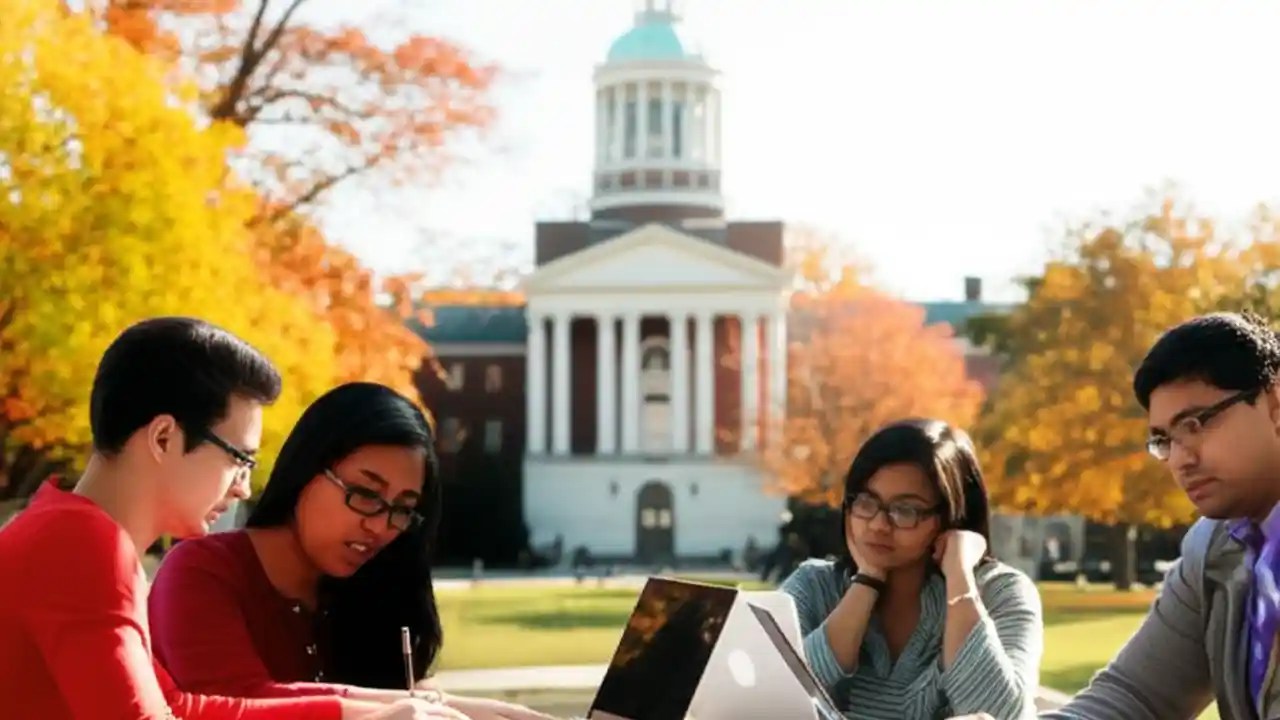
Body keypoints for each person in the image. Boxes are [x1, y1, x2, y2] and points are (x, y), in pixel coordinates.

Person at [0, 317, 458, 719]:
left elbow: (179, 708)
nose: (242, 486)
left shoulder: (65, 529)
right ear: (163, 438)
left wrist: (369, 713)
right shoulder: (83, 545)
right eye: (239, 459)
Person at [148, 381, 552, 720]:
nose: (379, 526)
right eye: (364, 493)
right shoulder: (200, 570)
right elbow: (237, 703)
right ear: (308, 468)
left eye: (403, 510)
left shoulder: (372, 588)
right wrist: (399, 709)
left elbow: (404, 694)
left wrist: (461, 708)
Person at [1038, 311, 1280, 720]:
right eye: (1165, 439)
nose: (1181, 460)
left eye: (1196, 423)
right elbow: (1135, 697)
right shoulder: (1213, 550)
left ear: (1274, 405)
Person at [779, 418, 1044, 720]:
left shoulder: (1002, 593)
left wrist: (959, 572)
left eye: (906, 510)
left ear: (951, 517)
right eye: (866, 502)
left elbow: (1002, 714)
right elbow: (772, 698)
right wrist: (866, 582)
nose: (878, 525)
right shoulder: (814, 586)